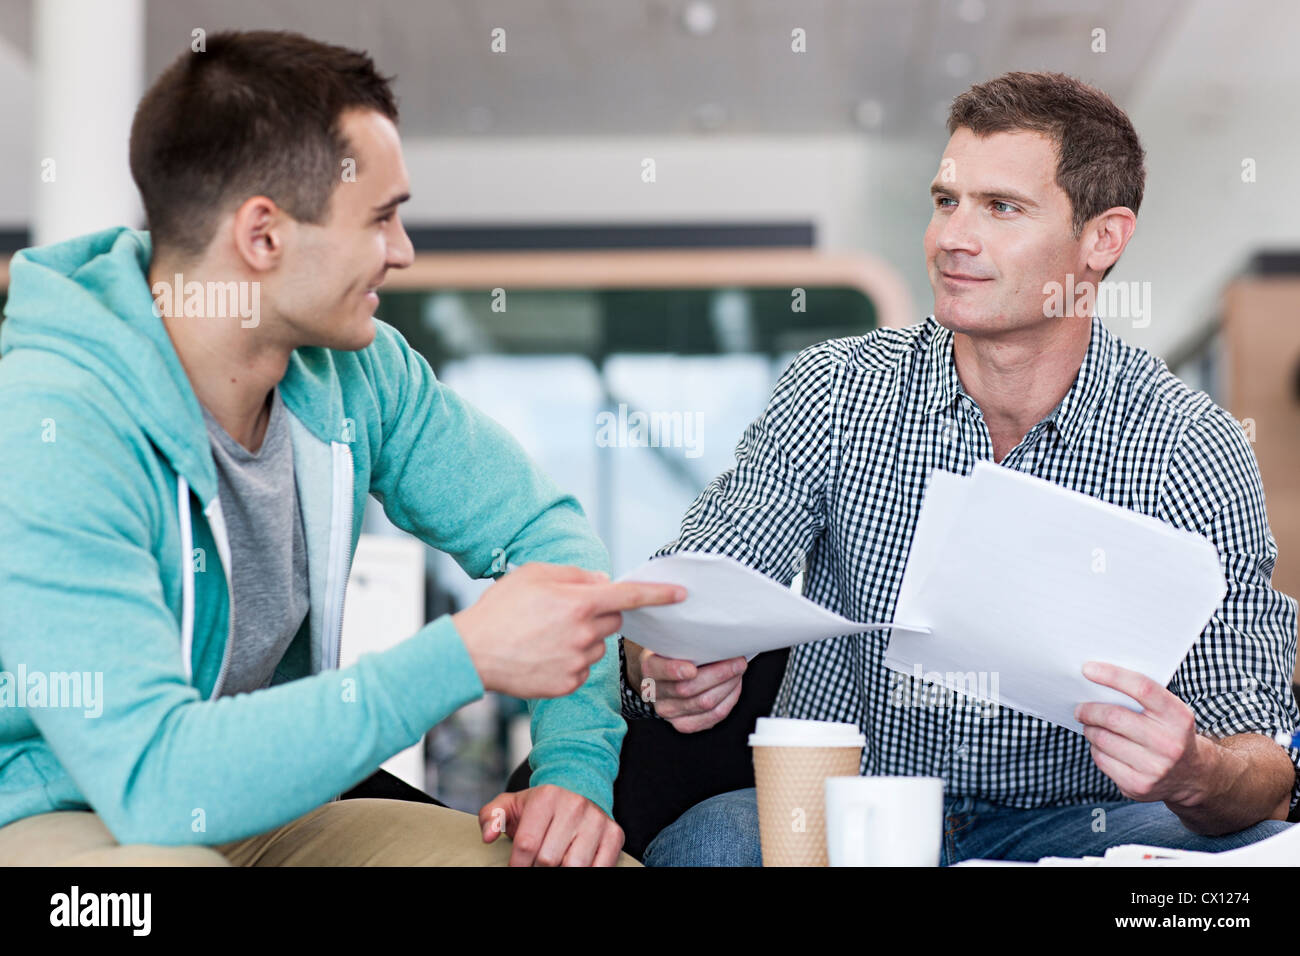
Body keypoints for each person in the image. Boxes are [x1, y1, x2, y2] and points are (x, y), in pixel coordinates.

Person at [0, 30, 685, 867]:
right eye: (381, 219)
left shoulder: (360, 374)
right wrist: (463, 656)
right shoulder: (53, 419)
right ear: (264, 236)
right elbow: (153, 780)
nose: (402, 251)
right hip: (61, 808)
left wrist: (574, 776)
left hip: (269, 806)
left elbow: (549, 542)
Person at [620, 71, 1300, 866]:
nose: (951, 238)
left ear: (1103, 239)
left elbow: (1261, 759)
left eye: (1001, 208)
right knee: (712, 844)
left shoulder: (1191, 445)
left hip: (1077, 821)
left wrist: (1195, 770)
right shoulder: (837, 388)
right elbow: (702, 578)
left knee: (1258, 846)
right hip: (855, 805)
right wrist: (661, 658)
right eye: (947, 201)